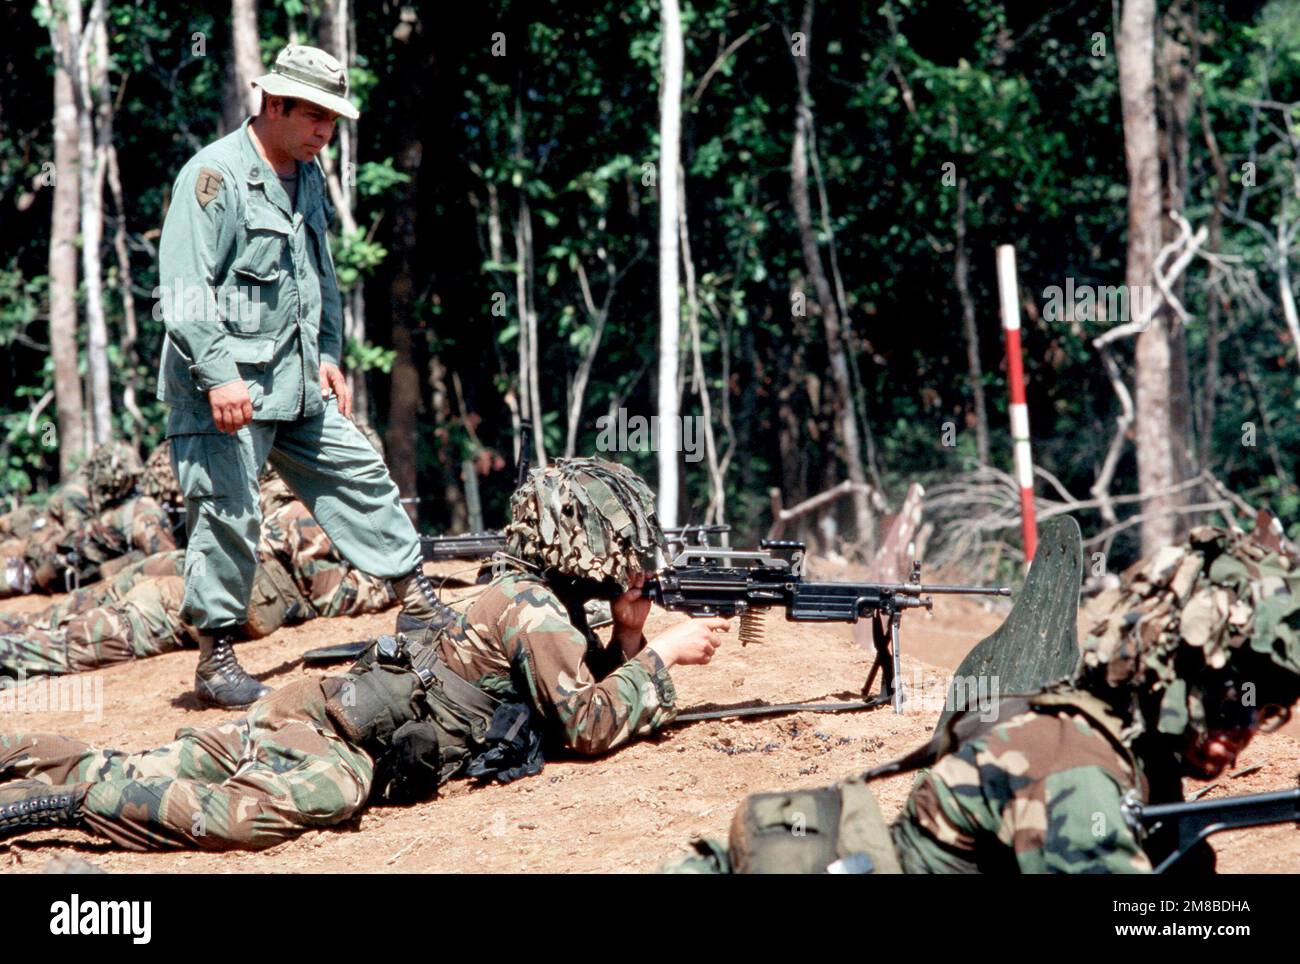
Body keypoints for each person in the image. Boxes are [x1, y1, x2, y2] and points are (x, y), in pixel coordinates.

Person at [0, 457, 727, 851]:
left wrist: (629, 637)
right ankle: (60, 801)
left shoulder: (526, 593)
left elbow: (563, 693)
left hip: (321, 712)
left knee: (146, 761)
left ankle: (26, 759)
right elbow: (586, 725)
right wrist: (660, 657)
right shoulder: (535, 607)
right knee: (247, 816)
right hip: (344, 749)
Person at [666, 524, 1300, 874]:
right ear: (1167, 686)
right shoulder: (1077, 771)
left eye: (1265, 711)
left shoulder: (1122, 744)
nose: (1243, 732)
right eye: (1230, 709)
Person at [155, 43, 442, 709]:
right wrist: (220, 375)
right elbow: (184, 289)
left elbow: (318, 277)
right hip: (221, 387)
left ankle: (418, 600)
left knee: (359, 473)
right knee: (229, 511)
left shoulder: (306, 176)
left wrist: (330, 354)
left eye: (333, 122)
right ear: (274, 104)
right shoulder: (214, 178)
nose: (325, 134)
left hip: (293, 378)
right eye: (314, 117)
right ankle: (216, 657)